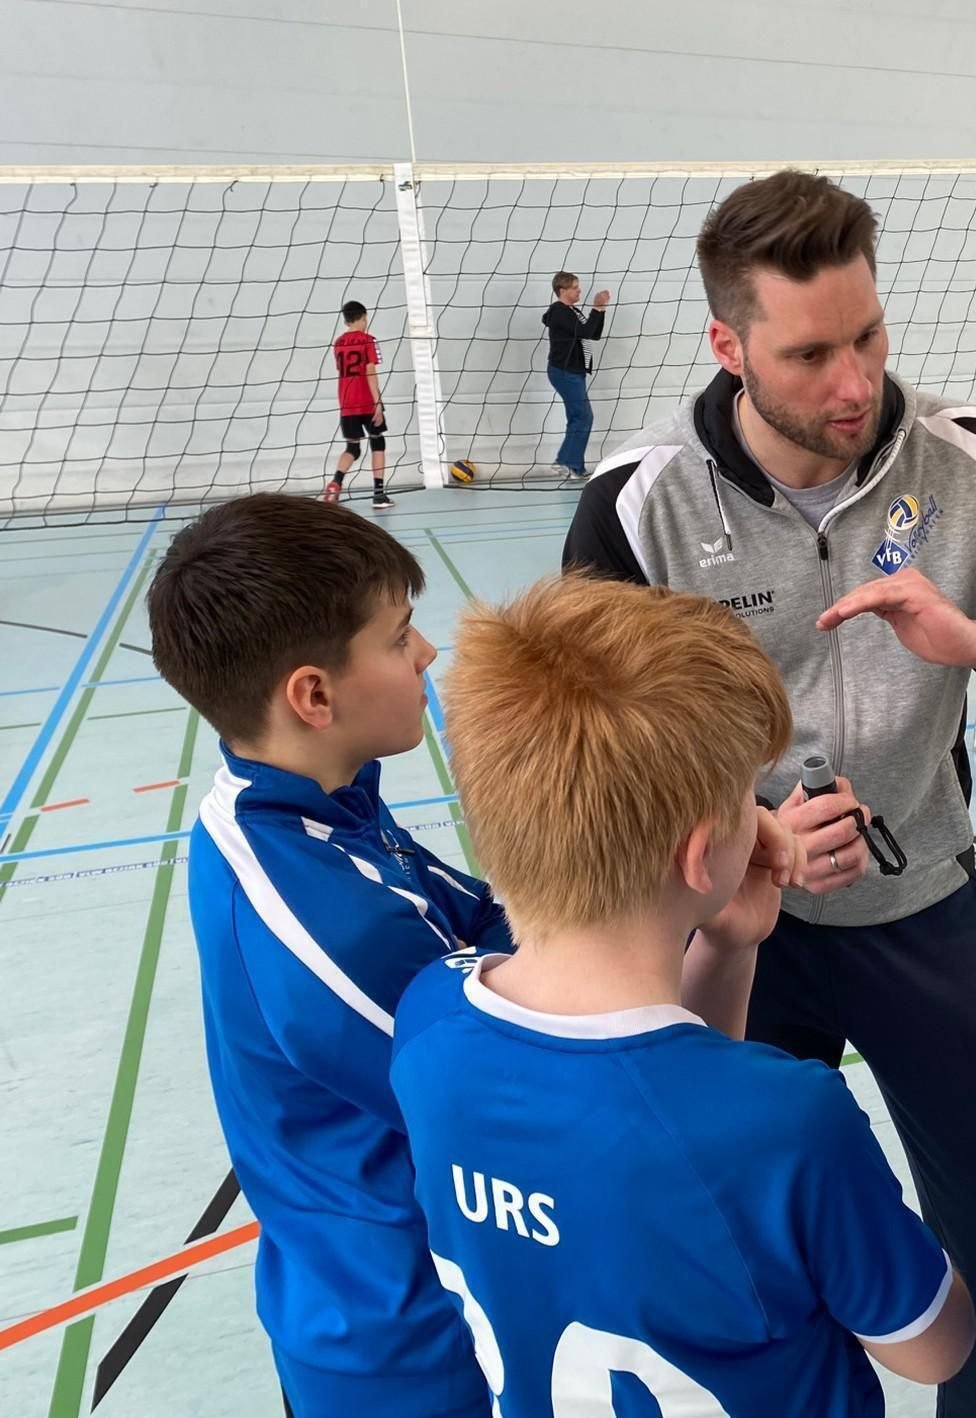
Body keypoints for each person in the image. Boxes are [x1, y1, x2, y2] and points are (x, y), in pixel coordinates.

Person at [562, 170, 976, 1418]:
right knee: (734, 1239)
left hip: (927, 913)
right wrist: (749, 837)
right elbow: (592, 757)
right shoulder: (639, 502)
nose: (855, 381)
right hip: (732, 937)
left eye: (870, 335)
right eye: (812, 352)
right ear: (728, 346)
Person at [391, 574, 974, 1416]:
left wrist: (729, 944)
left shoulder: (429, 1015)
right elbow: (932, 1348)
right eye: (749, 794)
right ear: (702, 854)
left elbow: (656, 1119)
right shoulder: (788, 1119)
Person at [144, 494, 507, 1415]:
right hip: (421, 1343)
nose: (427, 655)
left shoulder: (303, 801)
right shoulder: (331, 915)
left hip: (373, 1300)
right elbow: (530, 1091)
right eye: (399, 637)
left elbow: (483, 923)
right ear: (314, 694)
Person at [325, 300, 394, 511]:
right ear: (363, 317)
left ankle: (336, 481)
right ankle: (379, 495)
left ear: (346, 320)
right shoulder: (369, 340)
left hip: (346, 402)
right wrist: (378, 404)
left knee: (353, 448)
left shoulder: (338, 343)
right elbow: (370, 373)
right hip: (366, 401)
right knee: (377, 442)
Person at [543, 271, 611, 479]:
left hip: (574, 371)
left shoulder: (572, 311)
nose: (579, 290)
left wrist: (600, 309)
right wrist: (596, 308)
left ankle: (571, 465)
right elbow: (585, 332)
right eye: (575, 287)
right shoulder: (560, 312)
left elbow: (594, 334)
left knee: (579, 417)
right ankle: (568, 463)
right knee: (582, 416)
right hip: (564, 372)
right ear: (562, 290)